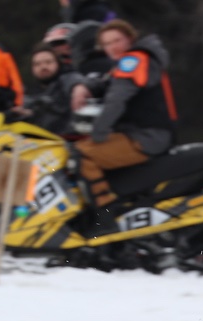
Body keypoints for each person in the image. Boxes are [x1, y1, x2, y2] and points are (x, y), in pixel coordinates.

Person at [69, 19, 176, 210]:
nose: (112, 47)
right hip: (142, 133)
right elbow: (107, 83)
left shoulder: (132, 60)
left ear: (130, 39)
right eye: (107, 44)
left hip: (146, 137)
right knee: (76, 148)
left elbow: (116, 100)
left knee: (81, 156)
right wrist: (83, 87)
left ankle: (105, 212)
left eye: (117, 40)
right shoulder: (133, 61)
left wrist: (98, 133)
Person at [24, 44, 82, 135]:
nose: (43, 67)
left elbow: (76, 81)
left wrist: (78, 88)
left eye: (48, 62)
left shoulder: (67, 79)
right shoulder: (28, 92)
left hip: (70, 140)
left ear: (58, 64)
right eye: (37, 64)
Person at [44, 21, 114, 76]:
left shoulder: (93, 65)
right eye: (54, 44)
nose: (60, 47)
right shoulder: (50, 72)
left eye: (63, 42)